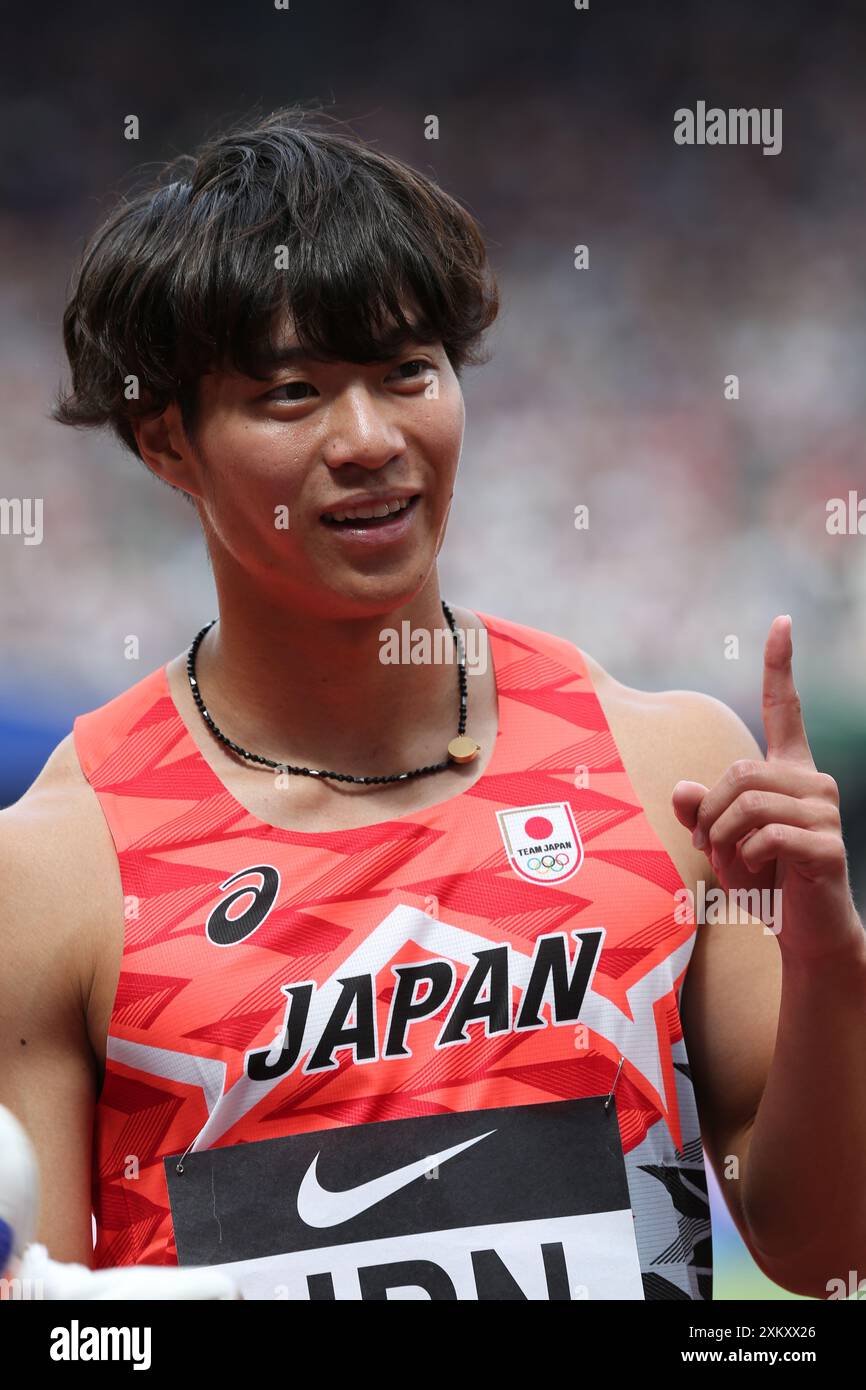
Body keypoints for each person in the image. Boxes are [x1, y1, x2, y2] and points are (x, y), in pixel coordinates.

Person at [2, 106, 863, 1302]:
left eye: (408, 372)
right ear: (167, 443)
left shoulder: (661, 765)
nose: (371, 439)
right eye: (293, 393)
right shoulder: (53, 874)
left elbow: (825, 1259)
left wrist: (828, 960)